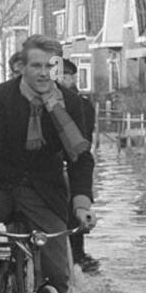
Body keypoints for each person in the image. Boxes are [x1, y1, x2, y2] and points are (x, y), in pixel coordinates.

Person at [0, 35, 96, 293]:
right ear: (22, 66)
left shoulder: (70, 103)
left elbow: (81, 158)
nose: (44, 73)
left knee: (59, 278)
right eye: (36, 65)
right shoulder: (0, 98)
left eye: (51, 66)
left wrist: (82, 205)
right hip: (0, 185)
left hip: (44, 192)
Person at [57, 58, 101, 274]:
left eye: (66, 76)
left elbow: (84, 141)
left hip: (71, 160)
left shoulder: (81, 105)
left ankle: (77, 251)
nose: (63, 79)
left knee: (72, 188)